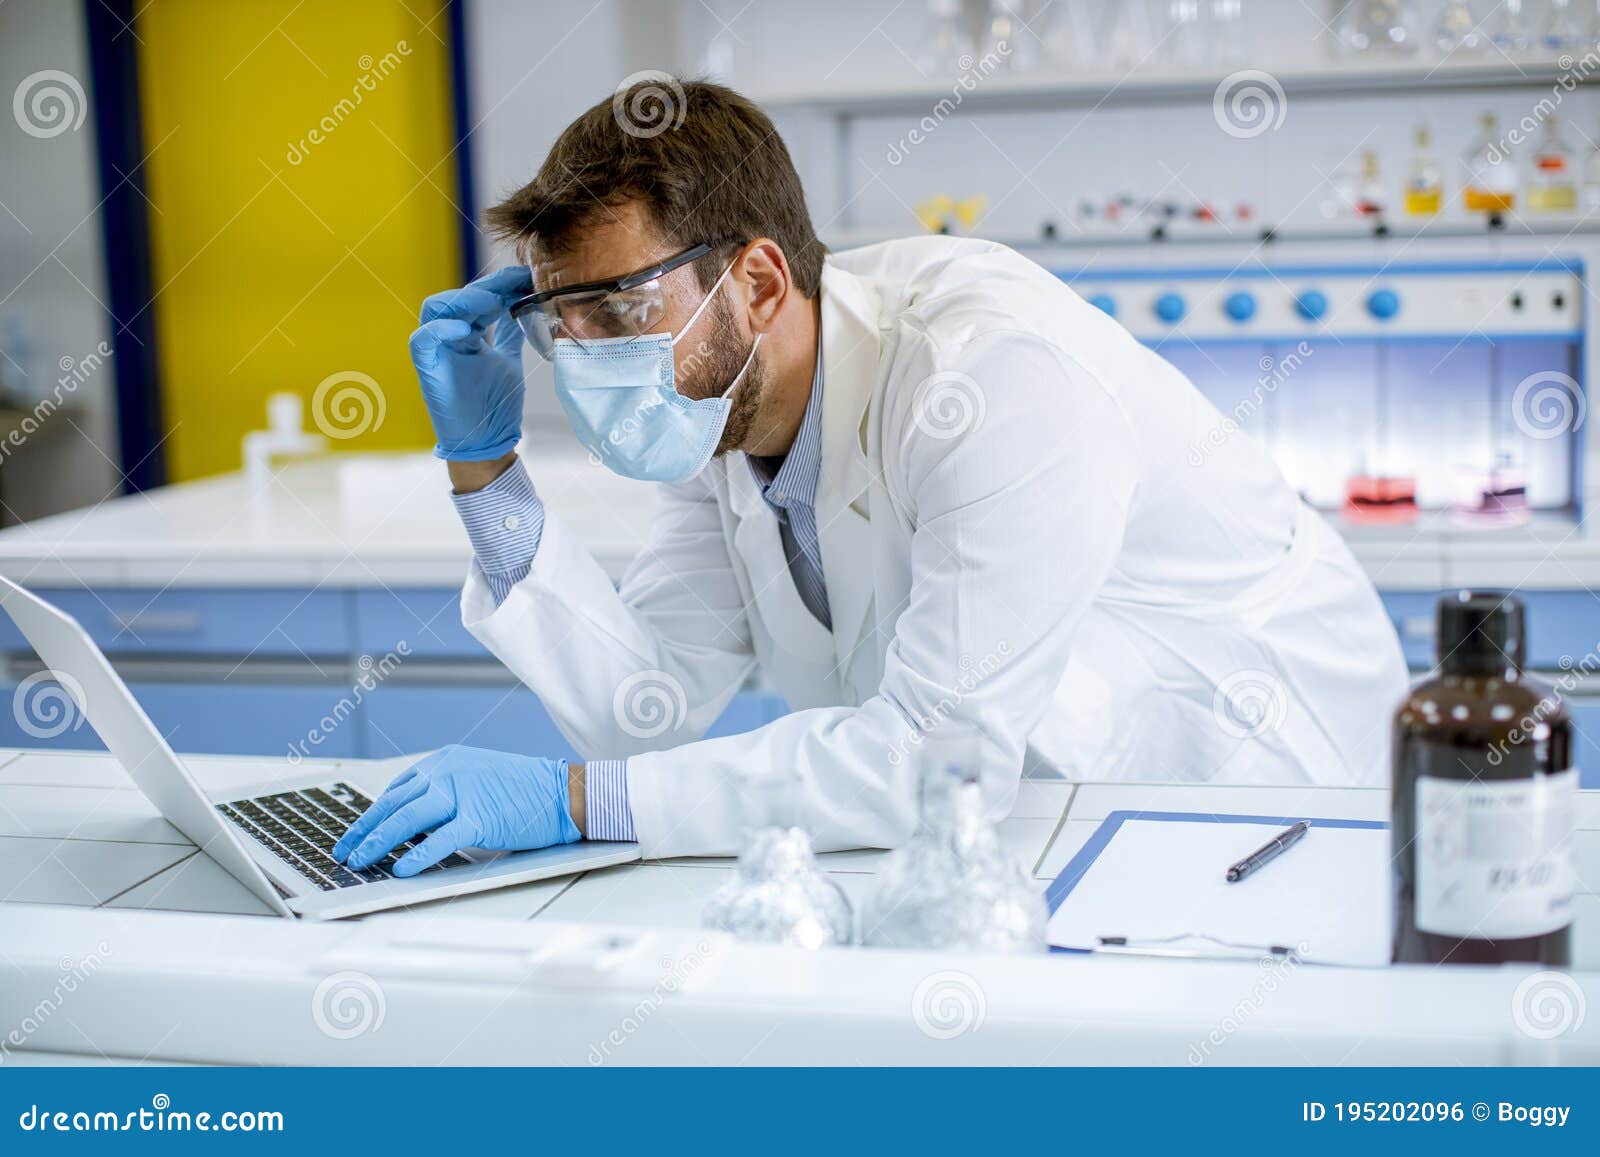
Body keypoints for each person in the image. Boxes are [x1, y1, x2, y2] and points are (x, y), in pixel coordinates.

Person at [333, 79, 1408, 877]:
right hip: (1028, 810)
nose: (582, 360)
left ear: (754, 279)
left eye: (617, 310)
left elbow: (931, 758)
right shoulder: (717, 415)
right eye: (555, 322)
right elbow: (644, 710)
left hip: (1256, 783)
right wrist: (486, 466)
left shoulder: (990, 376)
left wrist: (573, 803)